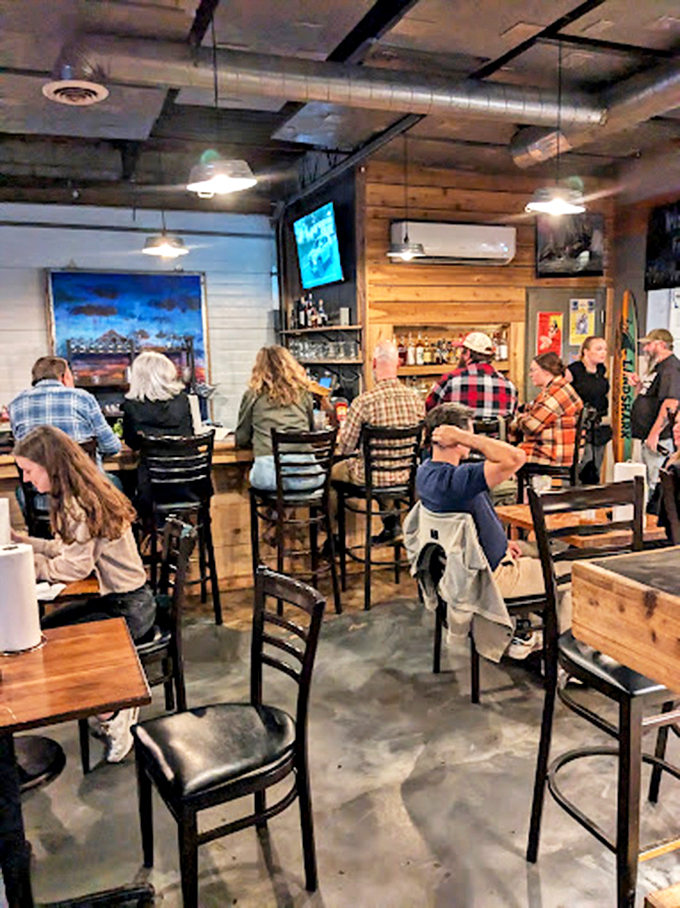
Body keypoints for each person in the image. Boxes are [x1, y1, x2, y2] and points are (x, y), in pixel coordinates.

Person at [11, 425, 155, 763]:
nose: (27, 479)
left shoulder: (79, 505)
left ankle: (115, 711)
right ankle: (114, 702)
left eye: (29, 471)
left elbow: (71, 569)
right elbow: (66, 552)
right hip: (125, 599)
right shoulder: (78, 494)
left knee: (55, 641)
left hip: (128, 607)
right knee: (45, 633)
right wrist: (26, 543)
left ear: (50, 465)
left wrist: (28, 565)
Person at [416, 403, 565, 658]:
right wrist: (464, 437)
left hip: (471, 566)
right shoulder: (460, 480)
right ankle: (567, 660)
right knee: (578, 572)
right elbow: (517, 457)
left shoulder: (425, 473)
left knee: (542, 551)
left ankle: (523, 632)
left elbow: (473, 525)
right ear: (454, 438)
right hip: (494, 578)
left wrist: (502, 543)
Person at [332, 340, 425, 544]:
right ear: (398, 364)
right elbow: (422, 440)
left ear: (374, 363)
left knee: (332, 472)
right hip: (405, 476)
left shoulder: (364, 402)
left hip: (371, 476)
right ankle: (392, 527)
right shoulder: (416, 400)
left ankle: (335, 537)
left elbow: (346, 447)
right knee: (386, 470)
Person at [235, 345, 317, 492]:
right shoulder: (303, 393)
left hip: (269, 477)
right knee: (293, 493)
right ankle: (281, 514)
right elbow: (311, 431)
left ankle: (278, 514)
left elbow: (241, 438)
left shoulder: (253, 395)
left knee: (270, 487)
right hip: (306, 475)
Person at [9, 356, 121, 456]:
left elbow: (20, 448)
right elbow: (111, 446)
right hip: (79, 476)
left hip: (36, 477)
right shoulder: (82, 397)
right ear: (65, 376)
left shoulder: (16, 403)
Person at [628, 328, 680, 499]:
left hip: (660, 437)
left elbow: (670, 403)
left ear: (661, 344)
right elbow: (648, 399)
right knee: (647, 480)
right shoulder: (658, 368)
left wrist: (655, 433)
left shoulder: (671, 369)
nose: (645, 349)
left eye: (649, 344)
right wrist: (638, 387)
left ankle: (653, 521)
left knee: (655, 482)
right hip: (647, 434)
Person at [425, 331, 517, 421]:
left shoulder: (451, 380)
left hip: (456, 436)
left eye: (461, 351)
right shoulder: (509, 386)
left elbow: (430, 411)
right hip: (494, 437)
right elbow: (512, 419)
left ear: (467, 354)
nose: (459, 355)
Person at [513, 352, 583, 467]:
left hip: (553, 454)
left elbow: (531, 426)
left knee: (505, 458)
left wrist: (519, 419)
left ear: (546, 371)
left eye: (533, 370)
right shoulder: (555, 389)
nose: (530, 375)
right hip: (554, 450)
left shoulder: (558, 392)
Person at [122, 351, 193, 448]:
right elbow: (189, 434)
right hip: (189, 461)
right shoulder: (182, 400)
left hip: (152, 462)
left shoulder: (131, 405)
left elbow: (132, 443)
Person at [566, 336, 611, 483]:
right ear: (586, 351)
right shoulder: (573, 371)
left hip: (599, 425)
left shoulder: (601, 371)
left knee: (595, 469)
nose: (603, 353)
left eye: (604, 349)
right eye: (598, 349)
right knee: (581, 466)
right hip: (579, 425)